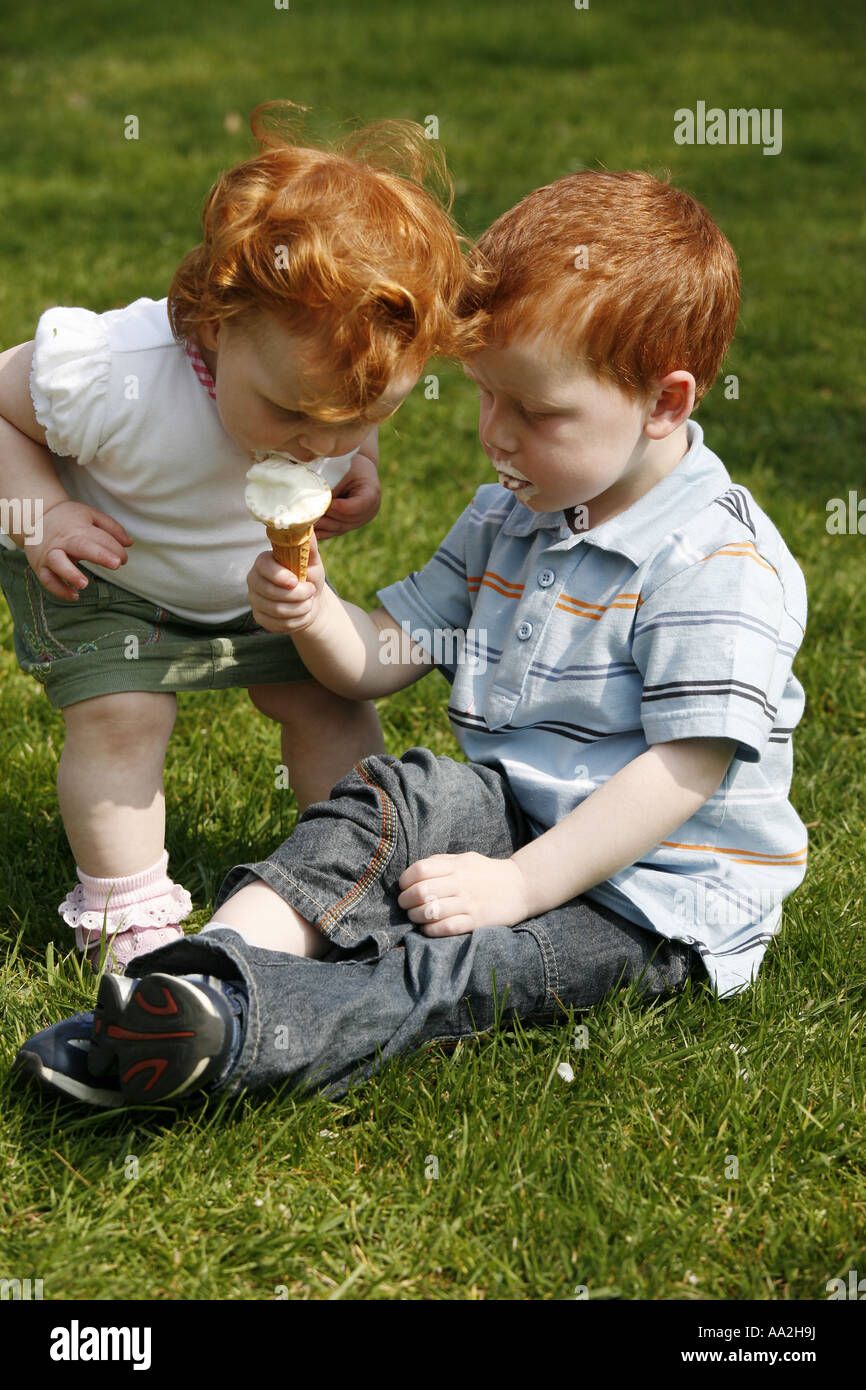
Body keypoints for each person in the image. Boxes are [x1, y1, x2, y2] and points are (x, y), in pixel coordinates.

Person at [13, 170, 808, 1110]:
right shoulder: (511, 516)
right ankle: (188, 979)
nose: (495, 439)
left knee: (463, 969)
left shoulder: (714, 559)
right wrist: (313, 612)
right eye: (484, 397)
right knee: (385, 801)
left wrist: (518, 887)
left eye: (538, 414)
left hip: (654, 897)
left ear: (665, 405)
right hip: (512, 812)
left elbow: (681, 775)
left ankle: (229, 1038)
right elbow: (384, 660)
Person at [0, 101, 483, 971]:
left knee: (331, 698)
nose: (322, 443)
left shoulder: (327, 386)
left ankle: (350, 872)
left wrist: (358, 470)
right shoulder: (116, 374)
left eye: (365, 417)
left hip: (248, 580)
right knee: (124, 714)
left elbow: (337, 421)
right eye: (295, 413)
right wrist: (44, 513)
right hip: (111, 570)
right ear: (218, 330)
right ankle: (129, 919)